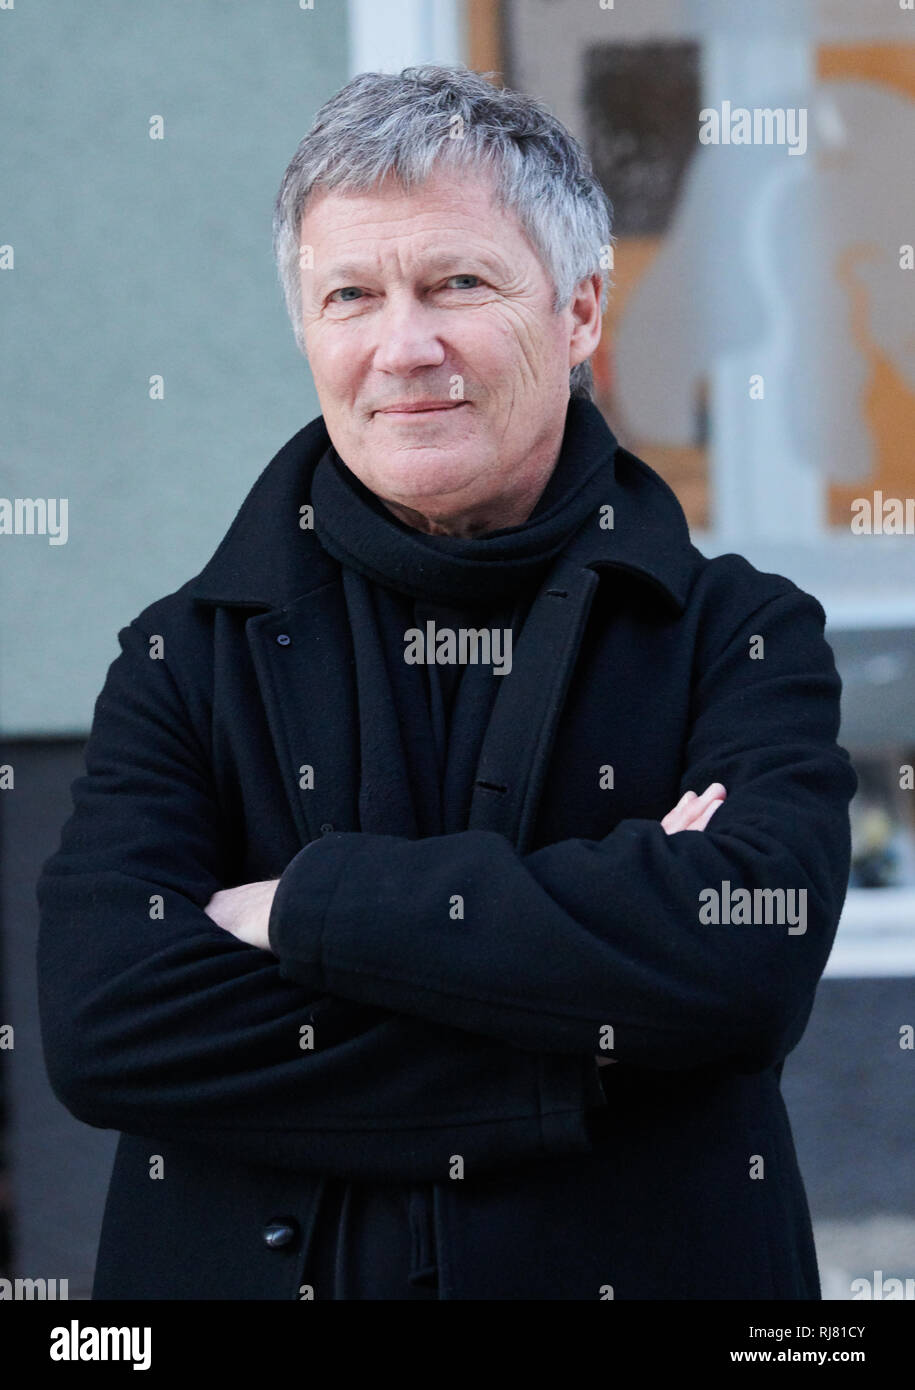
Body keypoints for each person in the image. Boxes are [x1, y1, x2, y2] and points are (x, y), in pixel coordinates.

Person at [36, 65, 857, 1300]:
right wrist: (583, 1043)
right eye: (349, 294)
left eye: (458, 283)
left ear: (581, 312)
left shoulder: (735, 633)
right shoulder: (185, 654)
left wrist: (304, 911)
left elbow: (745, 958)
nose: (401, 346)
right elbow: (109, 1027)